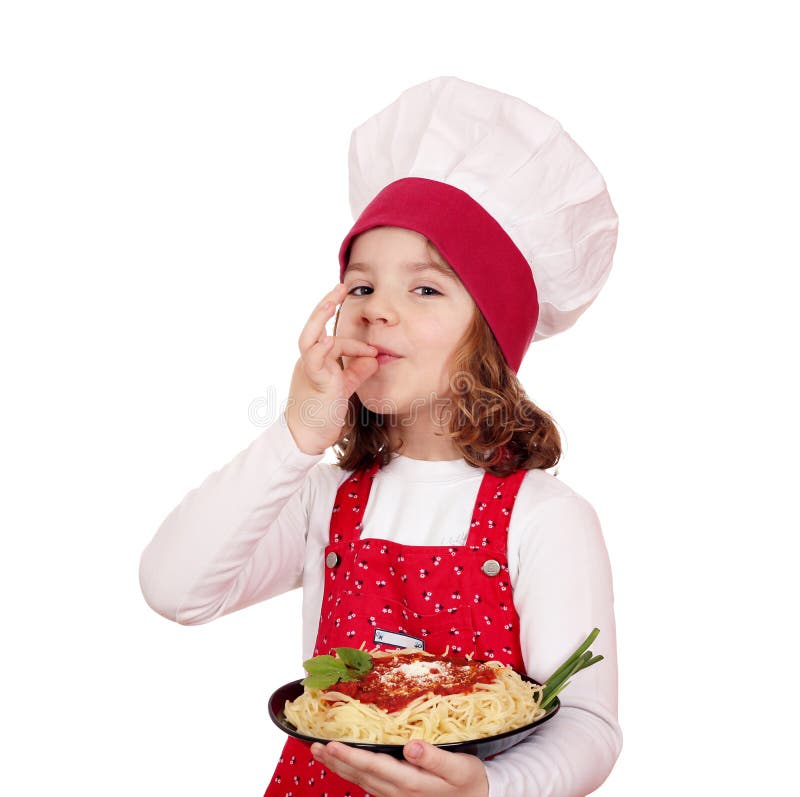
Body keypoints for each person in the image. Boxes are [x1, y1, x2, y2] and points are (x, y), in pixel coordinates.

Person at [139, 76, 623, 797]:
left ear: (492, 336)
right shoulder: (325, 497)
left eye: (424, 288)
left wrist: (486, 788)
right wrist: (298, 434)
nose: (376, 310)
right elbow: (174, 589)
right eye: (361, 286)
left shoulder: (544, 516)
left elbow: (587, 725)